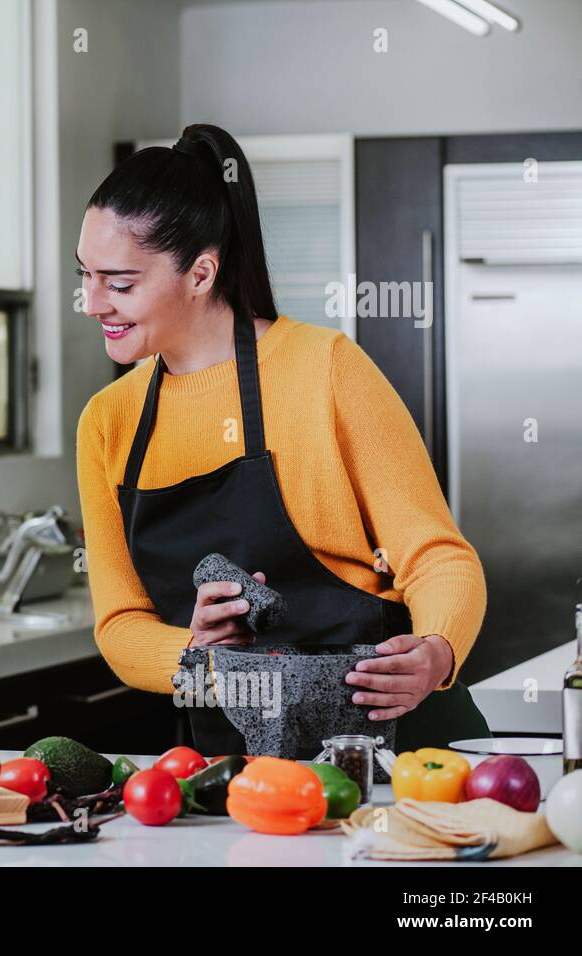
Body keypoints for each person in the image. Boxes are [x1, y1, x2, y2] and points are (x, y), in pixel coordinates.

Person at [74, 123, 490, 754]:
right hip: (243, 773)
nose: (91, 302)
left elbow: (438, 556)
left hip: (398, 752)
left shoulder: (326, 368)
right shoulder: (108, 423)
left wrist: (437, 651)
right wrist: (196, 652)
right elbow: (119, 624)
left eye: (119, 282)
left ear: (201, 272)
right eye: (85, 276)